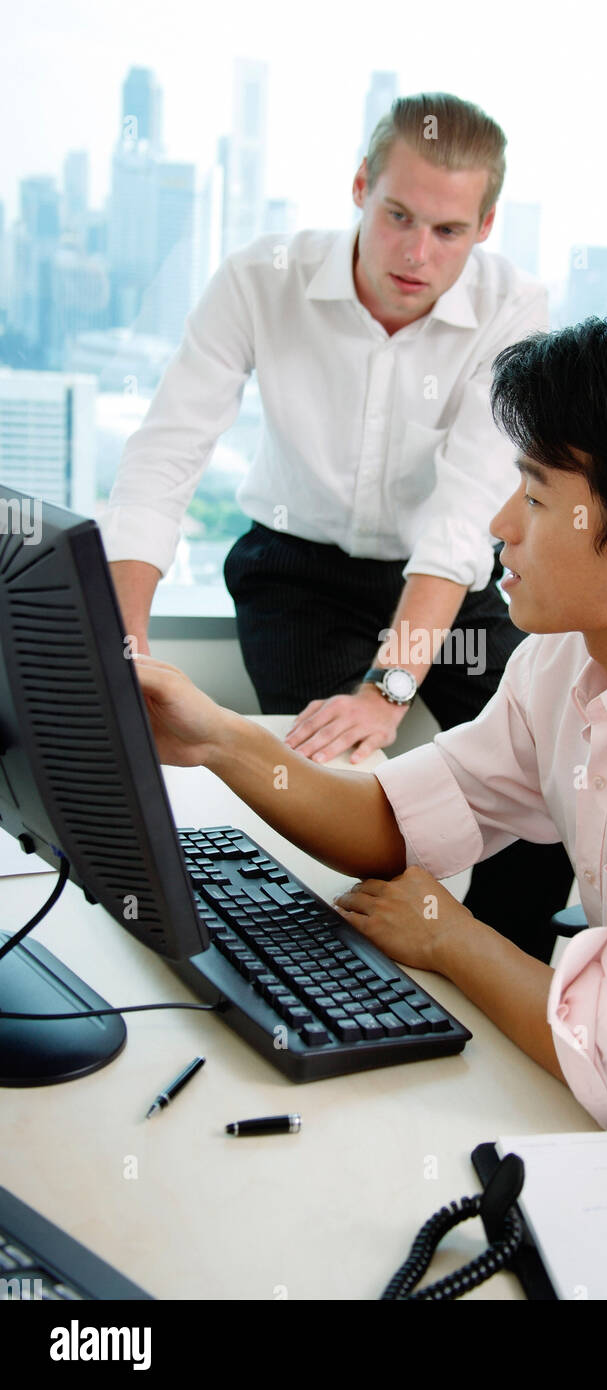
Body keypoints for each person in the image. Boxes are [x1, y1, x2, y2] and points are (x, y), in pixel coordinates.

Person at [131, 307, 607, 1129]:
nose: (499, 527)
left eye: (539, 499)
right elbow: (397, 821)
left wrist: (453, 937)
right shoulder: (571, 653)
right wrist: (218, 738)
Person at [100, 92, 573, 962]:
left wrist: (387, 689)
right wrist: (120, 644)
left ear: (486, 225)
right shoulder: (259, 276)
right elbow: (166, 455)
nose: (414, 253)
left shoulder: (516, 307)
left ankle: (504, 957)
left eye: (447, 231)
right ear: (360, 186)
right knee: (321, 779)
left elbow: (465, 514)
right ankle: (334, 973)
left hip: (456, 586)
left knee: (541, 778)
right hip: (300, 569)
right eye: (397, 215)